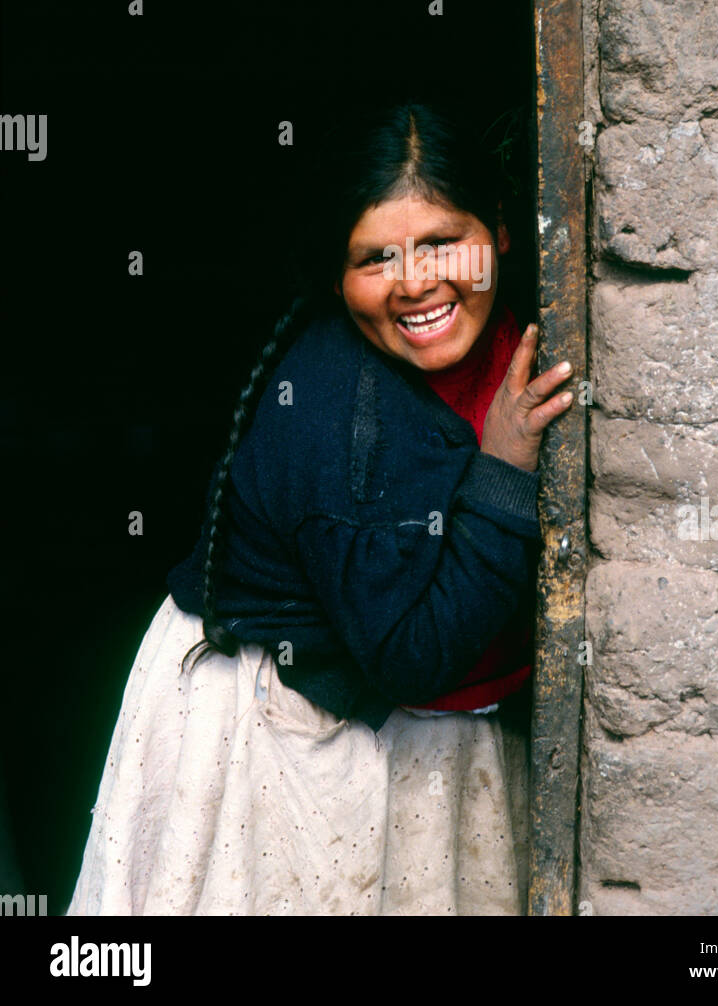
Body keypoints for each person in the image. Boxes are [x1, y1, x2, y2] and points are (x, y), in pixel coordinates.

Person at [66, 101, 574, 916]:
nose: (415, 283)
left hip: (404, 724)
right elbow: (414, 654)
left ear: (502, 233)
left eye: (442, 241)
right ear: (339, 278)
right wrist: (507, 466)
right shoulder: (337, 417)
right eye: (375, 258)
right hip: (277, 732)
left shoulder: (511, 337)